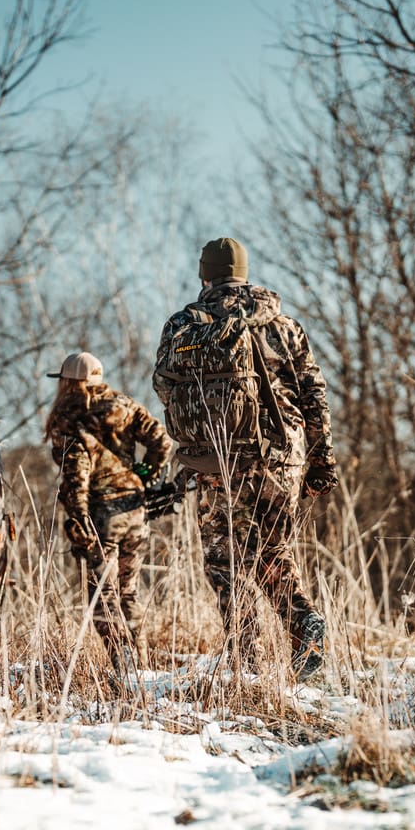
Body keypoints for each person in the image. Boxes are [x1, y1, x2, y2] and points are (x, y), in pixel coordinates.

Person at [153, 237, 338, 680]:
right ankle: (302, 621)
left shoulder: (184, 324)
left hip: (219, 459)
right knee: (272, 549)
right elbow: (313, 395)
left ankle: (246, 660)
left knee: (225, 560)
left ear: (205, 275)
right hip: (282, 457)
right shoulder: (284, 326)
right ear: (244, 273)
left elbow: (164, 386)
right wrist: (321, 461)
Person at [44, 351, 173, 671]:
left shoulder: (68, 413)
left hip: (100, 513)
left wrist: (79, 518)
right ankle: (141, 668)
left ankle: (124, 664)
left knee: (102, 595)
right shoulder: (123, 404)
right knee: (127, 593)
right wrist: (146, 474)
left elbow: (76, 472)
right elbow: (162, 441)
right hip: (135, 509)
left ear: (67, 381)